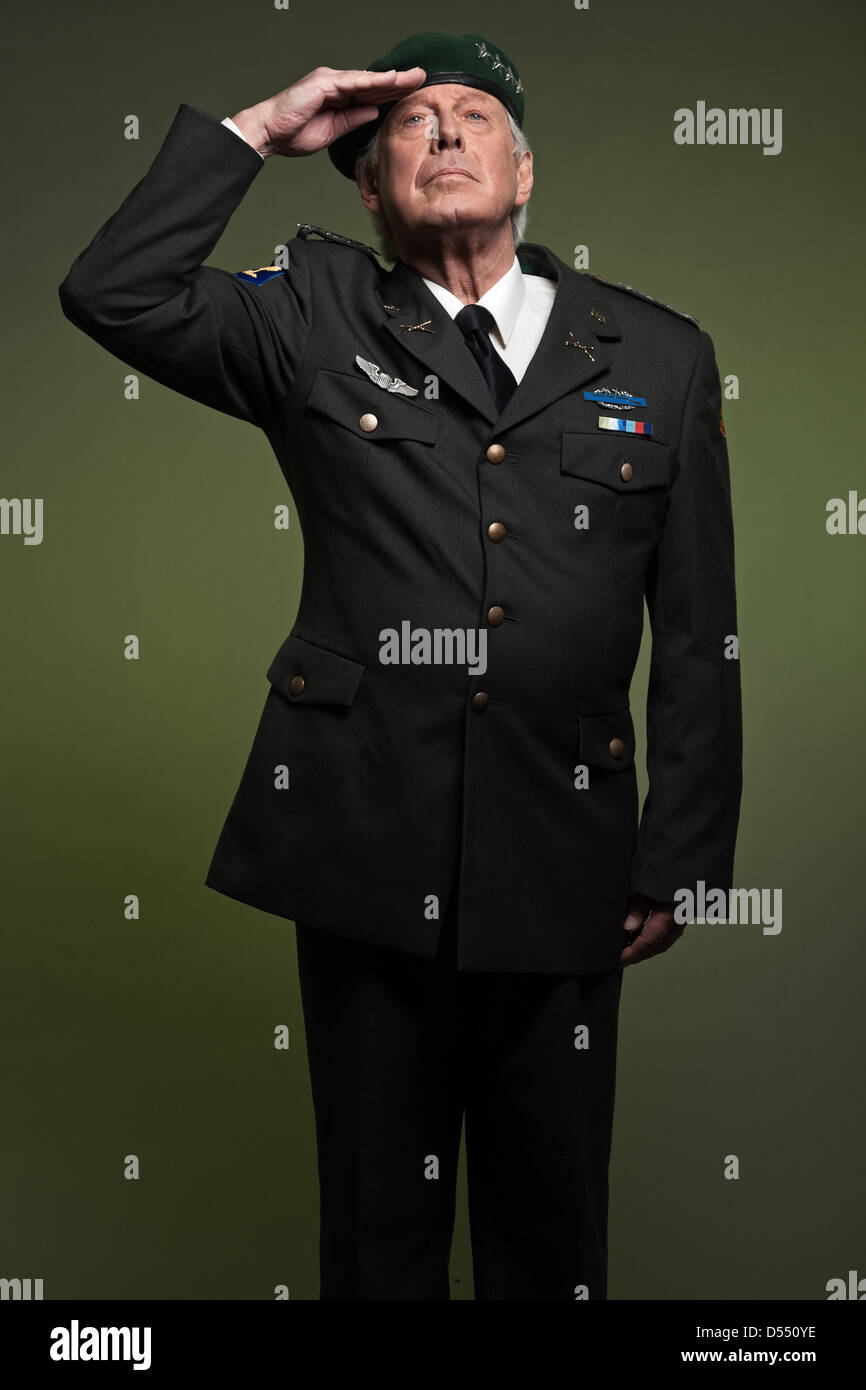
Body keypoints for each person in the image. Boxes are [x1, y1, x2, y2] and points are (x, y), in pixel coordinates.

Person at [58, 31, 742, 1300]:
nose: (441, 133)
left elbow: (700, 629)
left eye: (472, 115)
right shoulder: (311, 315)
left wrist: (684, 859)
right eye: (411, 123)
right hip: (363, 841)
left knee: (551, 1243)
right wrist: (260, 129)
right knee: (379, 1242)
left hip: (566, 853)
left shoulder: (656, 353)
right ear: (365, 187)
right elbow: (116, 292)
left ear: (523, 170)